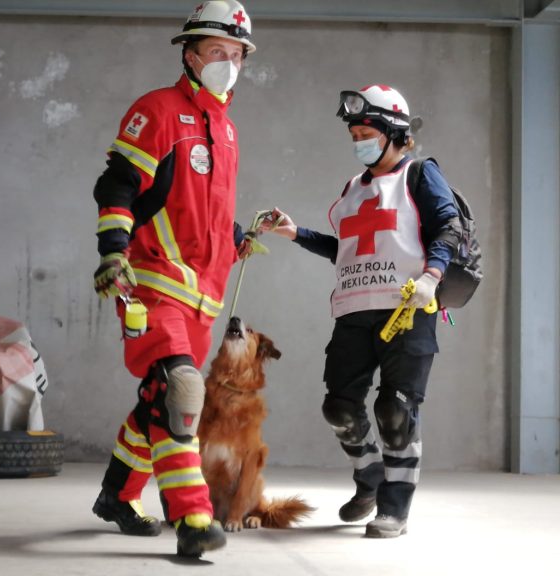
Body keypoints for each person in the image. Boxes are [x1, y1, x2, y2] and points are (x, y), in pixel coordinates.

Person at [90, 0, 258, 557]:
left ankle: (116, 495)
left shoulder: (229, 131)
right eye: (217, 52)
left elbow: (202, 212)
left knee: (157, 402)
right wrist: (113, 250)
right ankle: (192, 521)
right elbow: (118, 184)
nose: (228, 64)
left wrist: (238, 241)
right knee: (181, 392)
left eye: (236, 55)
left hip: (201, 299)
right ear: (190, 55)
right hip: (151, 282)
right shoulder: (158, 111)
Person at [260, 85, 462, 538]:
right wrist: (296, 234)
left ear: (394, 132)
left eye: (366, 131)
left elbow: (448, 226)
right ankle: (369, 480)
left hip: (406, 310)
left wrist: (432, 275)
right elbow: (348, 249)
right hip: (354, 311)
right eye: (354, 134)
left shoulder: (420, 175)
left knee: (395, 409)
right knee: (340, 407)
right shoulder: (354, 188)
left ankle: (394, 507)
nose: (358, 141)